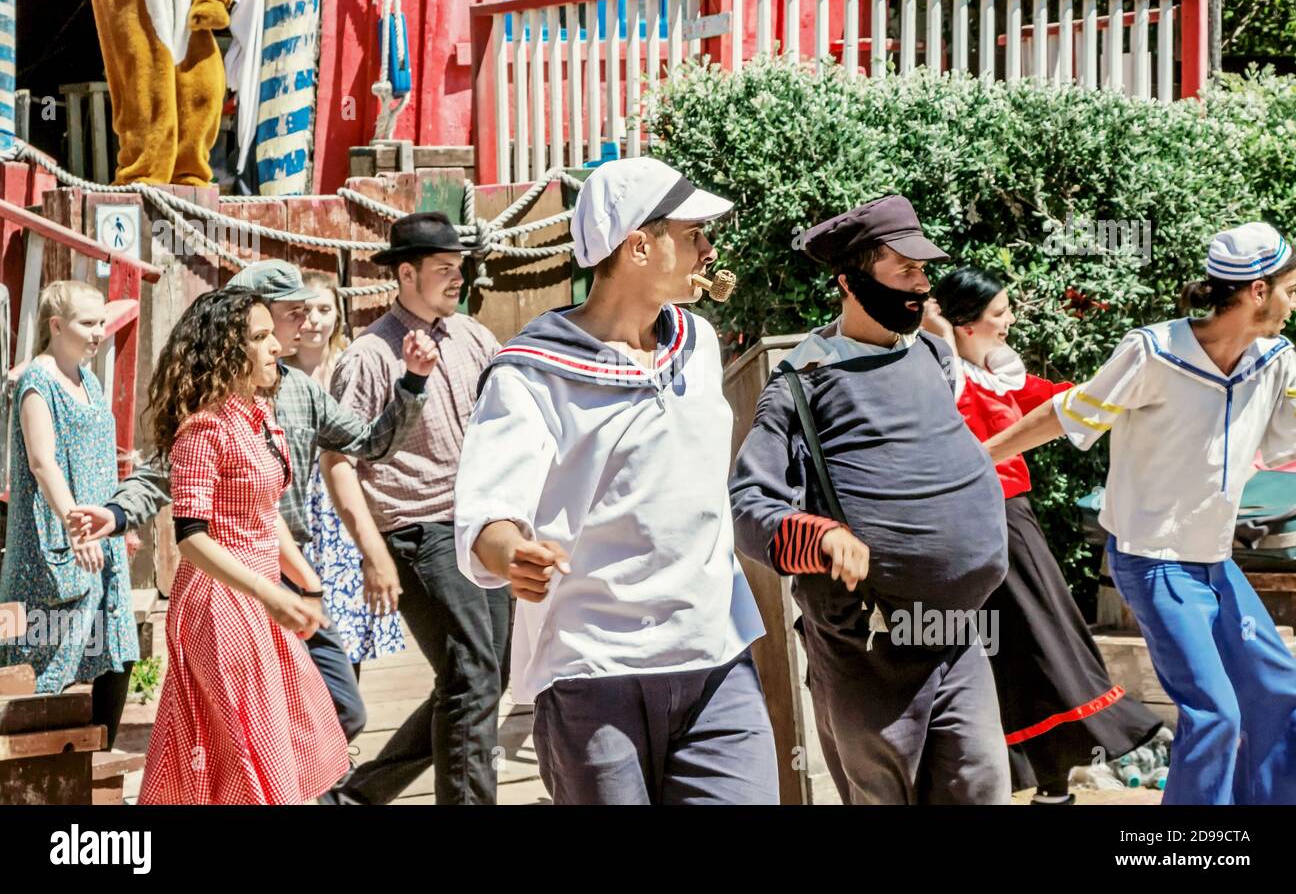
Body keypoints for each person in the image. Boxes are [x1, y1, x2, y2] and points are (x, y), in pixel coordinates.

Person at [455, 159, 777, 806]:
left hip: (716, 658)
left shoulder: (702, 344)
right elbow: (489, 509)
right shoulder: (529, 375)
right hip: (592, 673)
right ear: (638, 245)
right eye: (693, 235)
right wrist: (512, 553)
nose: (709, 250)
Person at [985, 222, 1296, 805]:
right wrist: (978, 458)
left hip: (1214, 563)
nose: (1294, 302)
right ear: (1258, 291)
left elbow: (1290, 443)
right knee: (1216, 713)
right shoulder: (1152, 351)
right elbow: (1068, 413)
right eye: (1291, 289)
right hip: (1153, 563)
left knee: (1282, 692)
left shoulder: (1277, 360)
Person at [69, 260, 436, 752]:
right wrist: (115, 514)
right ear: (245, 322)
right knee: (254, 739)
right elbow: (163, 480)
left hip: (288, 570)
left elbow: (370, 444)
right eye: (292, 313)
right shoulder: (207, 414)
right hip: (232, 585)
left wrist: (412, 382)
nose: (305, 324)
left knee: (338, 713)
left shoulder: (296, 391)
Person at [730, 194, 1011, 805]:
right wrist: (820, 536)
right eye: (906, 271)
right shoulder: (803, 383)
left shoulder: (933, 354)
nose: (923, 284)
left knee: (981, 786)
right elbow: (751, 508)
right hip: (869, 647)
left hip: (957, 632)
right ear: (851, 281)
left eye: (923, 270)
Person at [929, 266, 1163, 804]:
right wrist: (940, 336)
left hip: (1010, 516)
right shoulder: (942, 375)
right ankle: (1076, 755)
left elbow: (1060, 399)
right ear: (965, 323)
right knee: (1036, 637)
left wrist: (1129, 395)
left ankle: (1050, 780)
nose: (1010, 320)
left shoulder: (996, 371)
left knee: (1032, 639)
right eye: (999, 313)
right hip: (989, 519)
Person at [321, 213, 510, 805]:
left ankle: (352, 800)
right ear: (406, 274)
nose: (458, 279)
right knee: (474, 677)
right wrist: (373, 553)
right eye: (444, 269)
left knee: (478, 680)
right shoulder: (369, 357)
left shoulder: (475, 337)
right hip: (417, 533)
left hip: (479, 528)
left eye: (461, 267)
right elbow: (337, 463)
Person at [136, 288, 347, 804]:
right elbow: (191, 538)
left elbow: (263, 515)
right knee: (246, 750)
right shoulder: (203, 431)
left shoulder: (256, 417)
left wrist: (308, 584)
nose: (277, 345)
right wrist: (269, 593)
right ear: (227, 352)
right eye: (260, 337)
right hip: (220, 605)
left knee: (285, 740)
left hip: (259, 597)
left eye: (271, 334)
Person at [0, 281, 137, 748]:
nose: (99, 332)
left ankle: (95, 777)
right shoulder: (37, 383)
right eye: (88, 323)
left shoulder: (89, 380)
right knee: (37, 670)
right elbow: (43, 463)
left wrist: (117, 520)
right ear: (56, 326)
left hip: (101, 544)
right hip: (51, 549)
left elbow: (99, 457)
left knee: (116, 656)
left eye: (101, 322)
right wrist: (75, 526)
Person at [289, 271, 404, 668]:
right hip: (297, 501)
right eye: (305, 311)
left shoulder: (348, 364)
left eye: (325, 310)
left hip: (340, 500)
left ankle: (346, 690)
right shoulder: (279, 372)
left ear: (339, 315)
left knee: (346, 604)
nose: (315, 320)